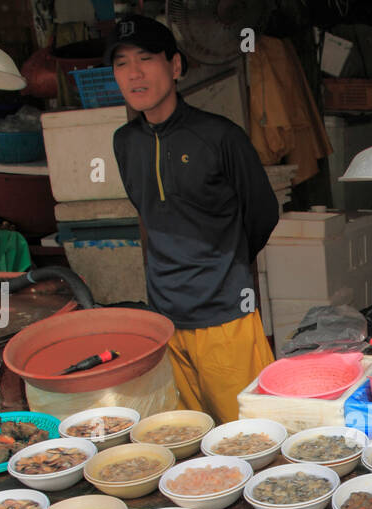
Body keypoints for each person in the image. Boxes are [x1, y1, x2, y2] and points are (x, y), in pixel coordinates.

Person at [107, 15, 279, 423]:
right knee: (186, 437)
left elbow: (262, 213)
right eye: (121, 63)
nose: (134, 73)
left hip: (226, 316)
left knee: (250, 435)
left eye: (146, 58)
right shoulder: (124, 143)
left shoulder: (220, 136)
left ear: (176, 66)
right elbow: (148, 216)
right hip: (165, 320)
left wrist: (224, 262)